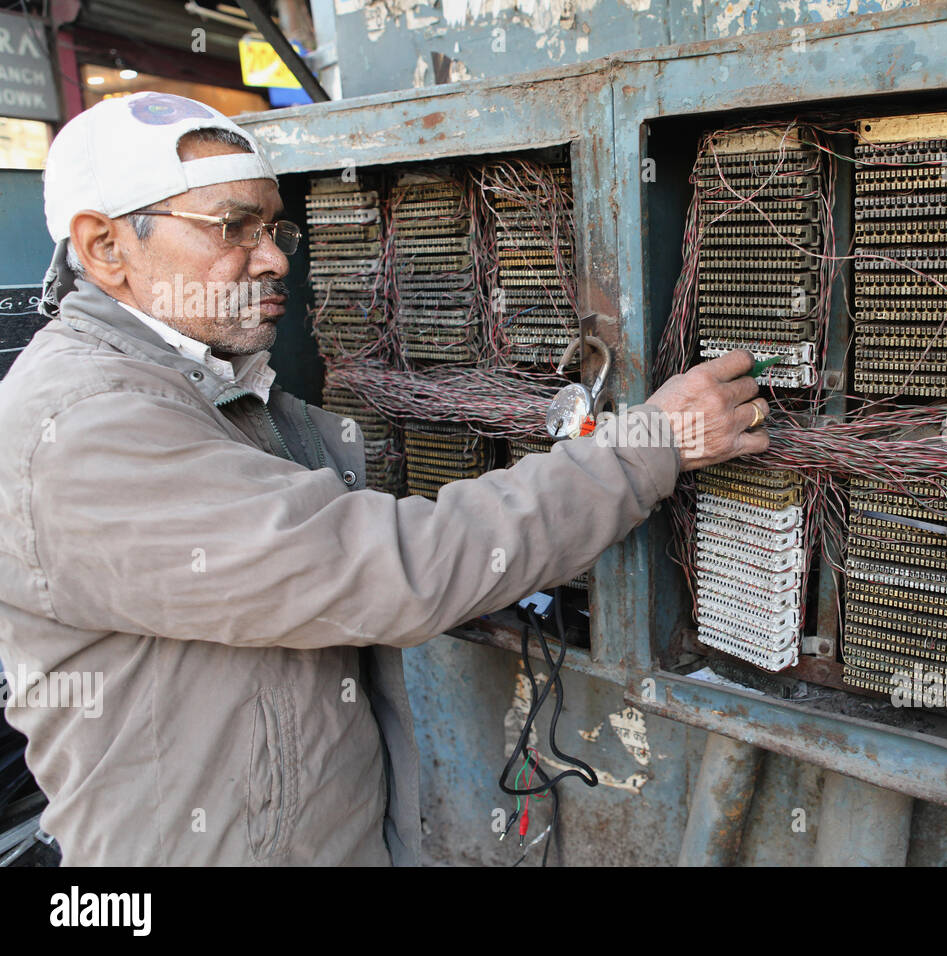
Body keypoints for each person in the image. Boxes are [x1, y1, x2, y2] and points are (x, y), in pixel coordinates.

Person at [0, 92, 769, 865]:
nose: (273, 259)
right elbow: (391, 568)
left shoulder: (213, 387)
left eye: (275, 228)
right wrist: (648, 446)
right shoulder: (83, 427)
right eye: (232, 228)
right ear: (104, 248)